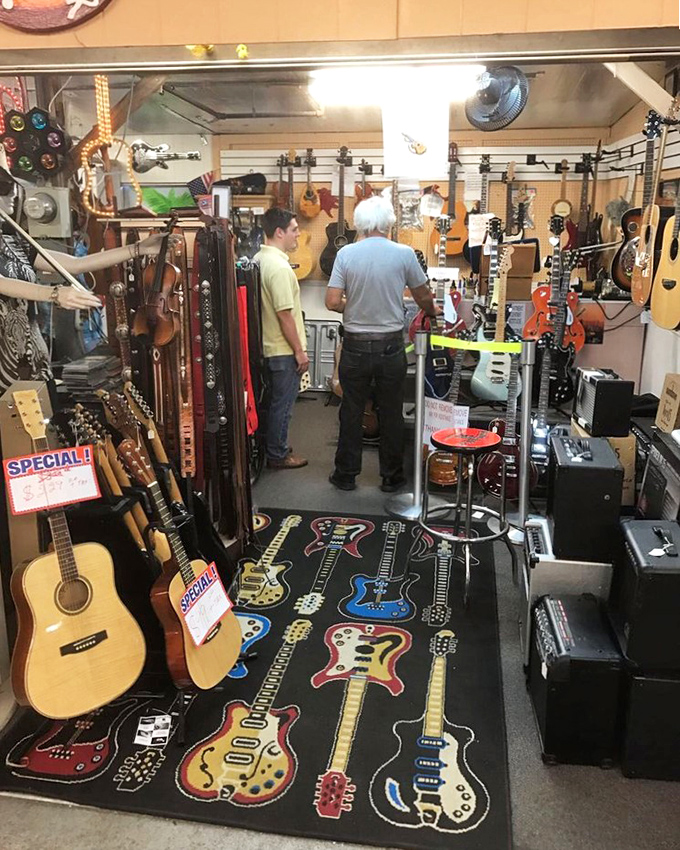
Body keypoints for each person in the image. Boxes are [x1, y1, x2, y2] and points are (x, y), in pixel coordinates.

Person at [0, 143, 164, 395]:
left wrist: (139, 248)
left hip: (31, 360)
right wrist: (54, 294)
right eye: (3, 189)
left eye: (12, 188)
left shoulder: (13, 241)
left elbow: (74, 264)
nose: (12, 195)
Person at [325, 195, 438, 492]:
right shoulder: (404, 254)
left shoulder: (346, 254)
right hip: (391, 347)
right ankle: (392, 477)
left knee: (351, 410)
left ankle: (345, 475)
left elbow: (332, 301)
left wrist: (353, 305)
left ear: (361, 223)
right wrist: (432, 311)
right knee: (391, 412)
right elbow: (422, 296)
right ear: (389, 222)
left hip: (354, 346)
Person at [255, 207, 309, 470]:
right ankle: (278, 454)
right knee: (283, 405)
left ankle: (272, 448)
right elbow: (284, 314)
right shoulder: (279, 268)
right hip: (283, 350)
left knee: (271, 404)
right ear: (279, 232)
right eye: (294, 229)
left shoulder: (259, 259)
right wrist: (299, 351)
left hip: (267, 347)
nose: (298, 234)